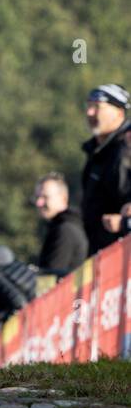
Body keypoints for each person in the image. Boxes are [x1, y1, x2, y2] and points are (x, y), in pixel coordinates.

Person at [79, 84, 131, 253]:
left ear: (119, 113)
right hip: (99, 253)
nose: (90, 113)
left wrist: (123, 222)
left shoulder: (125, 152)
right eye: (88, 106)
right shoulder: (97, 151)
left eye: (97, 107)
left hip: (121, 257)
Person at [32, 172, 88, 278]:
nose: (38, 203)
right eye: (37, 197)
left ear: (63, 198)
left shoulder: (64, 231)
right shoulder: (65, 226)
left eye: (45, 197)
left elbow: (50, 279)